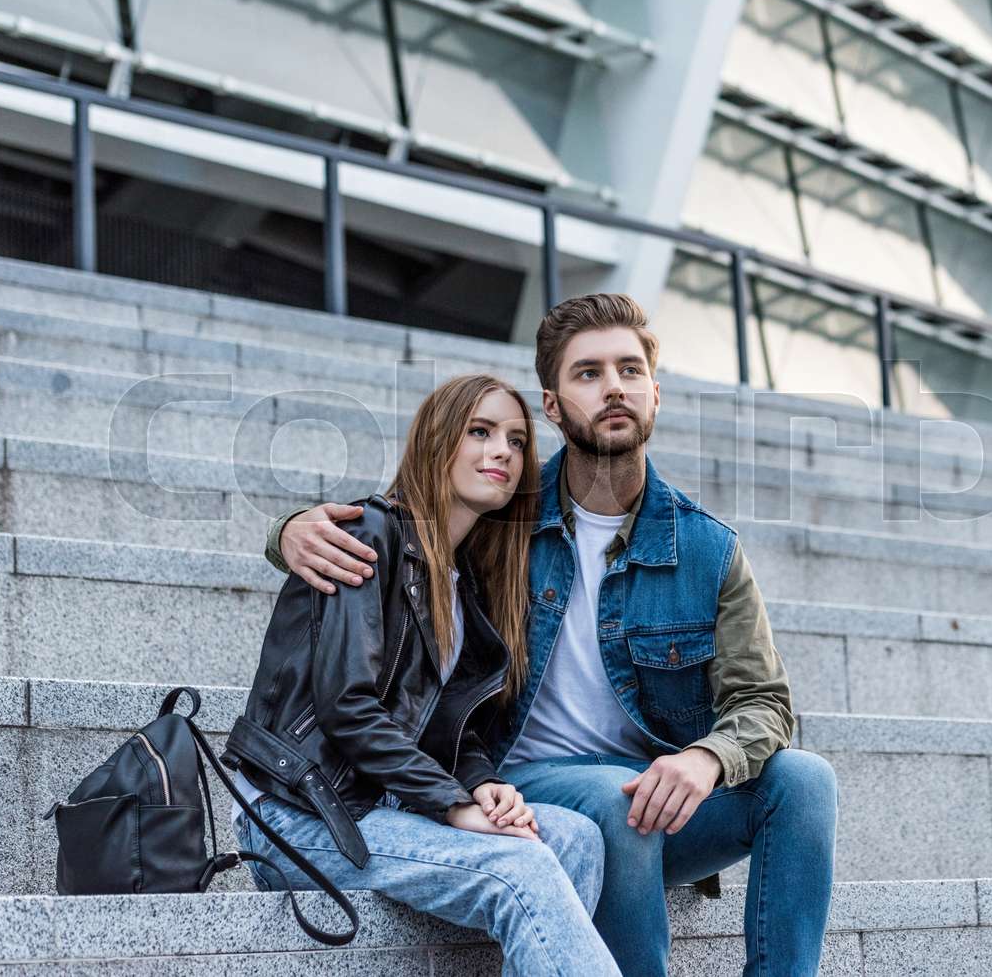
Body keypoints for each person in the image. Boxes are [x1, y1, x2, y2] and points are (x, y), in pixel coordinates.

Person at [269, 295, 838, 977]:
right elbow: (404, 525)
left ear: (655, 394)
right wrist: (291, 530)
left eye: (630, 370)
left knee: (804, 778)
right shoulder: (503, 510)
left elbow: (765, 703)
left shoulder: (706, 549)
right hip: (520, 778)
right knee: (609, 798)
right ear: (553, 405)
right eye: (588, 373)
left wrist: (707, 759)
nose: (615, 387)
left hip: (655, 789)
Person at [224, 373, 619, 976]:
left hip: (380, 805)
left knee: (576, 838)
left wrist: (482, 783)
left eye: (516, 442)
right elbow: (346, 708)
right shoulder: (367, 535)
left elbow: (454, 732)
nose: (502, 453)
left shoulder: (472, 582)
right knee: (522, 868)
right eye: (480, 432)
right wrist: (453, 804)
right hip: (300, 813)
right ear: (438, 442)